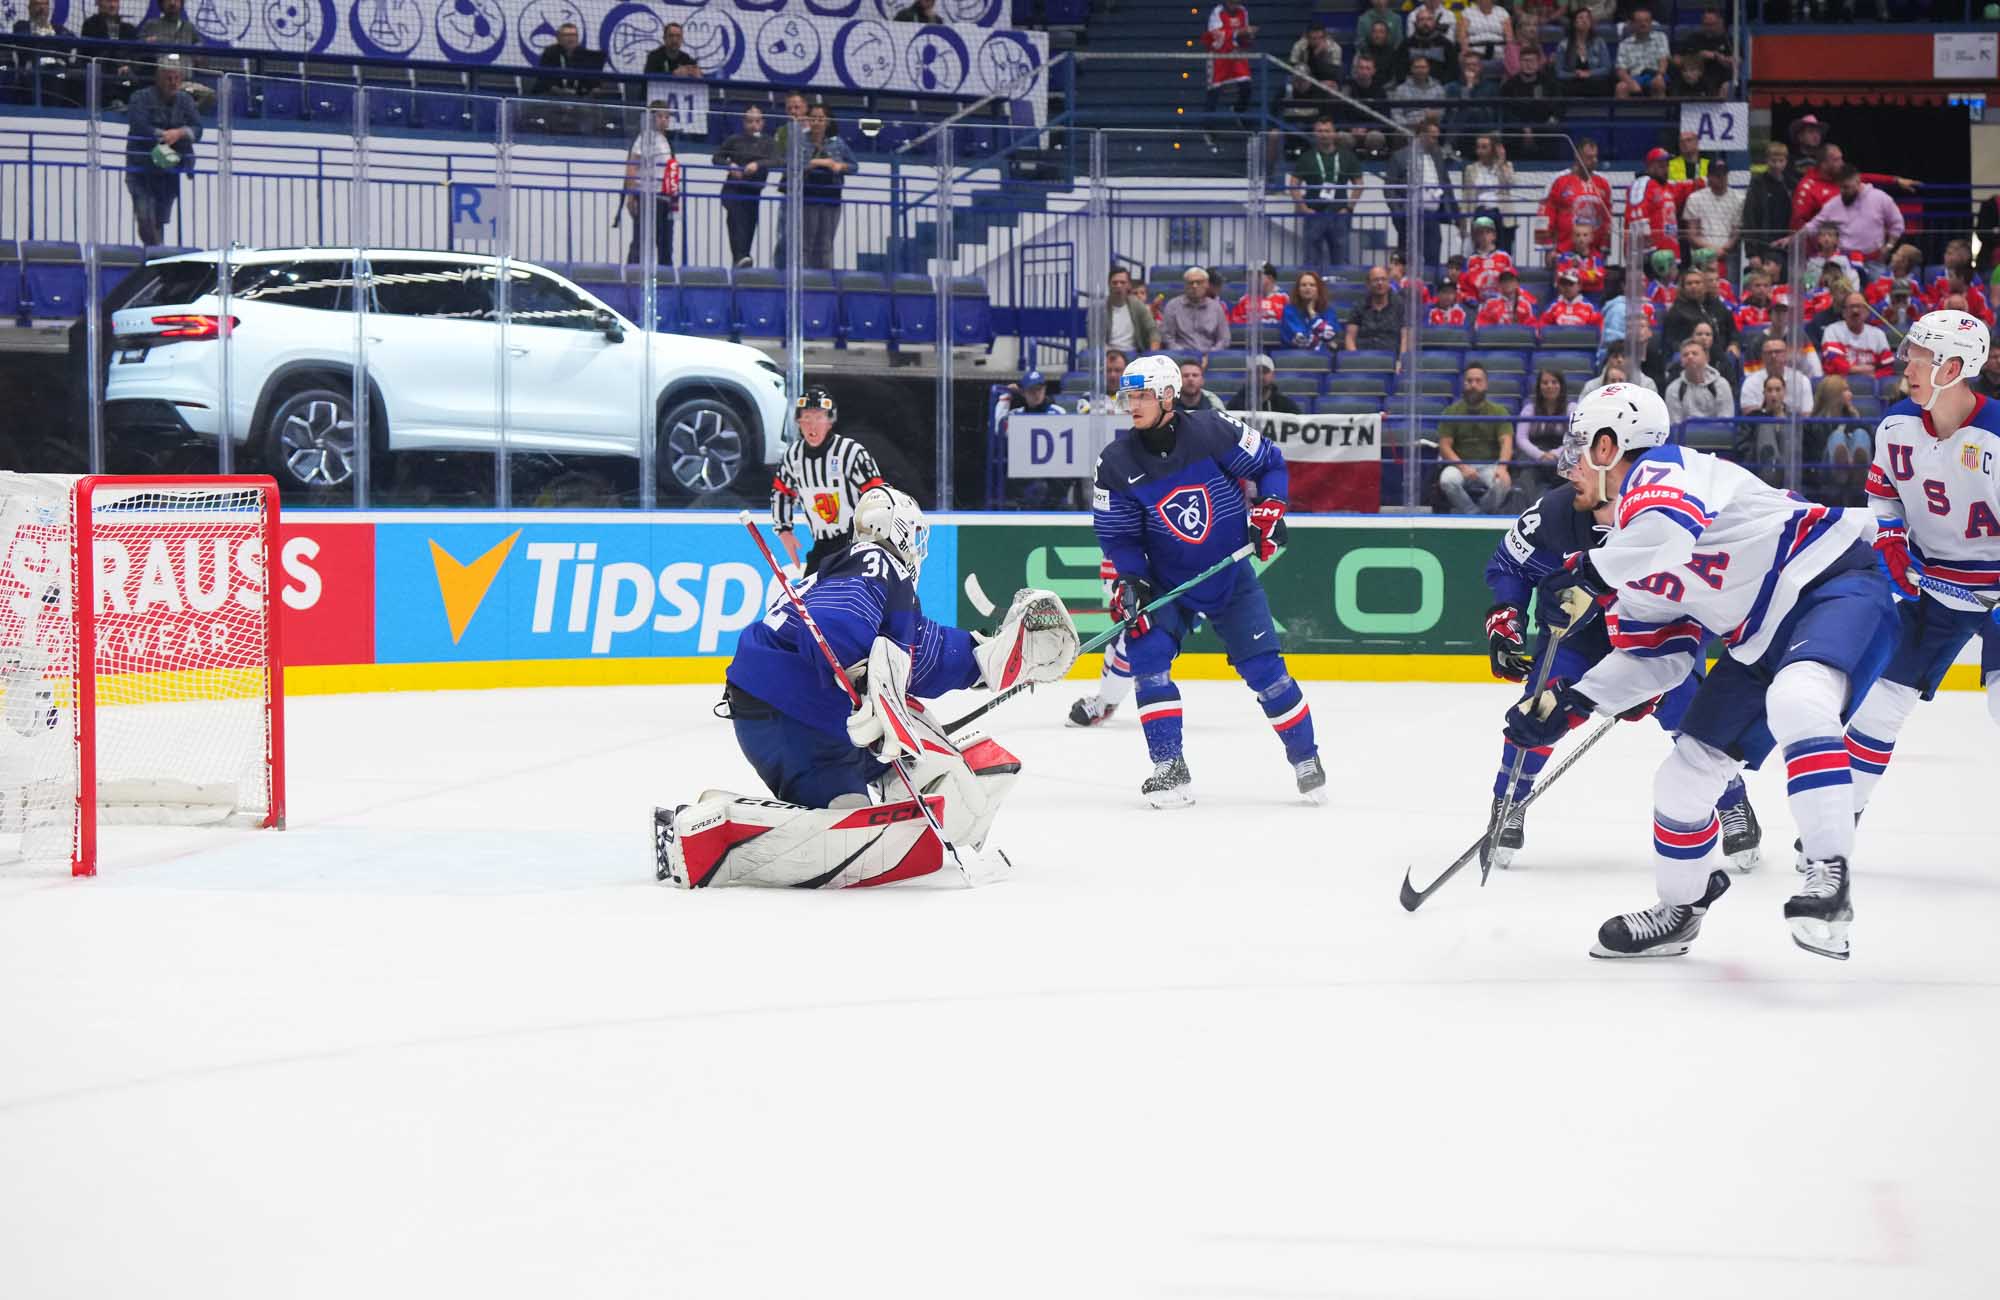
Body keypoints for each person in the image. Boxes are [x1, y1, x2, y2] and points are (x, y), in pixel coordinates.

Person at [1504, 382, 1897, 959]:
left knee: (1799, 697)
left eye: (1579, 446)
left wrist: (1590, 572)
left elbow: (1667, 531)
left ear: (1610, 447)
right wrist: (1573, 703)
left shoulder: (1668, 471)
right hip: (1755, 643)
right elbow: (1656, 656)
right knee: (1683, 781)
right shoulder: (1625, 551)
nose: (1570, 467)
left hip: (1832, 585)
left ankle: (1828, 876)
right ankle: (1679, 911)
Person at [658, 490, 1079, 888]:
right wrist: (854, 665)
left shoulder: (850, 578)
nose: (917, 547)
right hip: (799, 711)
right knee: (925, 762)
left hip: (783, 720)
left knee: (849, 818)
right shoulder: (877, 563)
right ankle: (721, 832)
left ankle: (724, 821)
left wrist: (986, 657)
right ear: (898, 532)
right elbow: (837, 620)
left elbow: (923, 652)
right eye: (914, 535)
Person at [1480, 423, 1760, 870]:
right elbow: (1510, 565)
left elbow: (1702, 599)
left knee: (1695, 718)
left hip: (1659, 634)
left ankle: (1730, 800)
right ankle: (1509, 799)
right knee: (1539, 708)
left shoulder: (1678, 517)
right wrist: (1504, 616)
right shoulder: (1556, 512)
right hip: (1581, 636)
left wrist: (1648, 678)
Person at [1091, 354, 1325, 805]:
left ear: (1167, 396)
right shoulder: (1116, 463)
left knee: (1267, 674)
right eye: (1129, 396)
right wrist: (1133, 581)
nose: (1132, 405)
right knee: (1150, 660)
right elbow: (1119, 537)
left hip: (1228, 577)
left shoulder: (1213, 429)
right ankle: (1169, 767)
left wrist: (1271, 506)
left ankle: (1306, 759)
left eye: (1142, 396)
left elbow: (1270, 464)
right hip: (1165, 585)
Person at [1833, 311, 2000, 871]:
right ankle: (1836, 826)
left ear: (1954, 368)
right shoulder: (1895, 426)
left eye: (1921, 356)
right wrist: (1890, 535)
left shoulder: (1996, 436)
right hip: (1940, 592)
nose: (1907, 364)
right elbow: (1884, 498)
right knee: (1879, 707)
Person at [770, 387, 886, 575]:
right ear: (798, 421)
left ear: (830, 422)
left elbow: (878, 494)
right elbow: (781, 492)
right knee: (810, 599)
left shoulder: (850, 452)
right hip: (822, 545)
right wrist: (784, 530)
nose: (812, 425)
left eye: (819, 418)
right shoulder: (793, 456)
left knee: (851, 599)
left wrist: (880, 538)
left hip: (855, 542)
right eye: (806, 418)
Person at [123, 56, 197, 248]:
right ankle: (158, 254)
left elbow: (198, 128)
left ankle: (156, 255)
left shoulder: (186, 100)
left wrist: (179, 133)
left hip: (168, 171)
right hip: (141, 168)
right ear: (158, 78)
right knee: (145, 217)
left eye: (176, 78)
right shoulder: (139, 97)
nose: (173, 83)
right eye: (168, 78)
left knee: (159, 219)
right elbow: (139, 126)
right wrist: (165, 135)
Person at [1786, 167, 1905, 283]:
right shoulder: (1834, 204)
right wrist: (1793, 238)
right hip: (1843, 263)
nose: (1843, 191)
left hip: (1873, 261)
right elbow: (1814, 224)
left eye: (1846, 187)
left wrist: (1889, 246)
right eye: (1840, 187)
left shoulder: (1880, 198)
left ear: (1858, 182)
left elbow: (1897, 223)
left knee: (1880, 295)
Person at [1436, 364, 1514, 512]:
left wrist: (1502, 468)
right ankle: (1473, 513)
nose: (1473, 385)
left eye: (1478, 381)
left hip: (1490, 465)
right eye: (1469, 381)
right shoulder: (1451, 412)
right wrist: (1463, 467)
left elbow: (1506, 442)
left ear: (1486, 384)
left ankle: (1480, 513)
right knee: (1447, 480)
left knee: (1503, 482)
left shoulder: (1499, 411)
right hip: (1459, 465)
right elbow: (1445, 446)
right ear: (1463, 384)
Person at [1384, 117, 1458, 269]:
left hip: (1432, 215)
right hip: (1409, 215)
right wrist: (1398, 213)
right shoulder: (1399, 156)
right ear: (1421, 135)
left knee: (1433, 254)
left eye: (1437, 137)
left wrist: (1455, 213)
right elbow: (1389, 187)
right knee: (1408, 257)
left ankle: (1431, 288)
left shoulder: (1437, 156)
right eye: (1432, 137)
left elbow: (1446, 183)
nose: (1435, 140)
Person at [1289, 118, 1360, 269]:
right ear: (1315, 133)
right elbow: (1293, 185)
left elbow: (1359, 184)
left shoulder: (1347, 156)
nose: (1323, 135)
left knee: (1341, 259)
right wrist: (1303, 209)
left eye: (1327, 131)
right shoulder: (1307, 157)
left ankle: (1343, 291)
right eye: (1320, 131)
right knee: (1311, 260)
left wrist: (1349, 208)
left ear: (1334, 133)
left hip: (1339, 214)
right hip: (1314, 214)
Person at [715, 107, 778, 268]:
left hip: (753, 190)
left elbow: (777, 160)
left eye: (757, 121)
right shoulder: (735, 139)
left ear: (762, 123)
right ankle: (740, 256)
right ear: (744, 122)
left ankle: (743, 258)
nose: (753, 125)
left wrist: (758, 164)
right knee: (736, 222)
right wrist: (731, 165)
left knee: (749, 225)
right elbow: (717, 157)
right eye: (750, 121)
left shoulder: (768, 142)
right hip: (734, 188)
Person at [621, 102, 680, 267]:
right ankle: (632, 274)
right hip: (647, 195)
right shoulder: (645, 138)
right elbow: (632, 166)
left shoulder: (666, 141)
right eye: (660, 116)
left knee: (665, 241)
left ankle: (665, 275)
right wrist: (631, 195)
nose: (663, 120)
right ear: (651, 118)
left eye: (667, 117)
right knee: (641, 239)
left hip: (665, 196)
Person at [797, 105, 855, 270]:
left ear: (828, 121)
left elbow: (854, 166)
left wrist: (840, 166)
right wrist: (819, 162)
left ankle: (825, 280)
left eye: (820, 118)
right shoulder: (802, 140)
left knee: (826, 242)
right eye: (813, 118)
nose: (816, 122)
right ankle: (806, 277)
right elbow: (796, 164)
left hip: (832, 196)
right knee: (808, 242)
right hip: (809, 196)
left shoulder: (838, 143)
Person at [1540, 138, 1613, 262]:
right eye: (1589, 157)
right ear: (1577, 156)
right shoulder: (1559, 180)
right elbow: (1544, 217)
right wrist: (1547, 249)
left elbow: (1607, 221)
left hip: (1594, 254)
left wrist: (1605, 250)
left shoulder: (1603, 183)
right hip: (1563, 253)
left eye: (1595, 157)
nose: (1594, 161)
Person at [1202, 0, 1256, 138]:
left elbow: (1243, 37)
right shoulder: (1217, 13)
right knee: (1214, 92)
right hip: (1219, 57)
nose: (1235, 4)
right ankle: (1208, 127)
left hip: (1236, 55)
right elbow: (1215, 36)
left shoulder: (1243, 11)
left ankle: (1239, 111)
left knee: (1246, 86)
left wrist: (1248, 36)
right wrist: (1239, 32)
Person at [1498, 46, 1560, 161]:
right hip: (1517, 126)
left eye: (1532, 61)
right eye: (1525, 61)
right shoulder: (1509, 85)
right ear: (1520, 62)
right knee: (1510, 132)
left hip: (1542, 125)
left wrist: (1553, 117)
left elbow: (1557, 105)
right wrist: (1524, 128)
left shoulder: (1548, 82)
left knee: (1552, 129)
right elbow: (1506, 111)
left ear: (1538, 63)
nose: (1528, 64)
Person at [1820, 292, 1894, 378]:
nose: (1855, 310)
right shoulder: (1832, 330)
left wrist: (1873, 377)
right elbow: (1832, 364)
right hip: (1840, 383)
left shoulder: (1878, 334)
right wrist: (1858, 370)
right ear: (1844, 312)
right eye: (1851, 307)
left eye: (1859, 306)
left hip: (1869, 385)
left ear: (1867, 311)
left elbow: (1888, 367)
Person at [1742, 141, 1792, 267]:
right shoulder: (1757, 184)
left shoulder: (1791, 184)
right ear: (1766, 160)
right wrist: (1752, 253)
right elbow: (1749, 218)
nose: (1777, 165)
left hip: (1787, 246)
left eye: (1781, 161)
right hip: (1764, 246)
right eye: (1773, 161)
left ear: (1786, 161)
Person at [1160, 267, 1231, 355]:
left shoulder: (1216, 308)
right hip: (1181, 356)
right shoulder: (1172, 306)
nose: (1194, 286)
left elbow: (1224, 339)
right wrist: (1184, 355)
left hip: (1210, 356)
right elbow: (1167, 337)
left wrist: (1211, 354)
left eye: (1199, 282)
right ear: (1185, 286)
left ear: (1207, 284)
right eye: (1190, 283)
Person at [1682, 160, 1742, 264]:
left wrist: (1724, 248)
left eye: (1724, 174)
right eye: (1717, 175)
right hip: (1702, 254)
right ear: (1709, 176)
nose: (1721, 178)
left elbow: (1736, 232)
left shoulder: (1739, 198)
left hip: (1728, 254)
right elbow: (1692, 234)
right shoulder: (1695, 198)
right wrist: (1712, 250)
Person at [1345, 264, 1409, 357]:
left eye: (1383, 279)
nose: (1380, 283)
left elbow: (1405, 338)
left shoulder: (1400, 305)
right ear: (1368, 284)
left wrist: (1401, 361)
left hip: (1392, 362)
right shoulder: (1359, 306)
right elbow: (1350, 338)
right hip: (1364, 359)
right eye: (1375, 280)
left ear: (1389, 282)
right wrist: (1356, 360)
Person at [1665, 340, 1735, 424]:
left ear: (1706, 358)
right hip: (1686, 436)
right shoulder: (1673, 389)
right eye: (1685, 355)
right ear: (1681, 362)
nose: (1690, 357)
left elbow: (1726, 423)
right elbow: (1675, 426)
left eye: (1694, 353)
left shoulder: (1722, 385)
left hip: (1717, 435)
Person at [1740, 335, 1814, 414]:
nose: (1773, 356)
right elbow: (1750, 416)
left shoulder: (1802, 380)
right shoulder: (1751, 382)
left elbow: (1807, 415)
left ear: (1786, 354)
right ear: (1762, 356)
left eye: (1778, 352)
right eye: (1769, 353)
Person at [1515, 367, 1573, 465]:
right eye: (1545, 383)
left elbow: (1576, 438)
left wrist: (1556, 454)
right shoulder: (1529, 409)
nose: (1549, 386)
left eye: (1554, 382)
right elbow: (1521, 438)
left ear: (1561, 386)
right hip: (1534, 455)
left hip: (1563, 454)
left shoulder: (1572, 408)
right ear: (1539, 387)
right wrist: (1540, 455)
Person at [1613, 6, 1670, 99]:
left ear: (1651, 23)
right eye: (1639, 21)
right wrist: (1630, 82)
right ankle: (1625, 113)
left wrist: (1659, 75)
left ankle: (1659, 113)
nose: (1643, 24)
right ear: (1632, 24)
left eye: (1647, 21)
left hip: (1654, 74)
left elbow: (1663, 61)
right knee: (1621, 87)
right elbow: (1620, 70)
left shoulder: (1660, 37)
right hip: (1635, 77)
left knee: (1659, 83)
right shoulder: (1624, 44)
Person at [534, 23, 605, 97]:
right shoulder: (550, 53)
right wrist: (561, 92)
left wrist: (595, 89)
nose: (571, 38)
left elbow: (591, 81)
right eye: (567, 35)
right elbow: (545, 80)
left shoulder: (585, 54)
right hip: (553, 97)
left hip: (579, 99)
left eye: (574, 35)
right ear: (559, 38)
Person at [1556, 7, 1614, 97]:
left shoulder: (1599, 42)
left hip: (1595, 83)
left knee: (1605, 84)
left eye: (1587, 18)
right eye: (1581, 17)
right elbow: (1559, 73)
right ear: (1574, 23)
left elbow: (1606, 68)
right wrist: (1575, 75)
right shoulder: (1563, 44)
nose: (1584, 20)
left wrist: (1589, 73)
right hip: (1572, 83)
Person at [1459, 215, 1514, 301]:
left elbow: (1512, 283)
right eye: (1480, 233)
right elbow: (1465, 286)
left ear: (1494, 235)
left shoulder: (1504, 257)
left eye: (1488, 232)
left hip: (1500, 304)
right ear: (1476, 237)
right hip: (1478, 305)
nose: (1484, 236)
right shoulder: (1471, 260)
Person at [1105, 267, 1158, 355]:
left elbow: (1153, 330)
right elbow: (1093, 338)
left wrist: (1152, 355)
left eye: (1122, 282)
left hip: (1133, 353)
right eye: (1114, 283)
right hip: (1107, 353)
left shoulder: (1137, 305)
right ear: (1109, 284)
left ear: (1129, 285)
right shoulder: (1099, 308)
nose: (1118, 286)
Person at [1227, 355, 1301, 414]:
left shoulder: (1284, 404)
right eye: (1256, 372)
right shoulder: (1236, 403)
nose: (1260, 376)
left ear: (1273, 375)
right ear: (1249, 376)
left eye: (1265, 372)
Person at [1387, 54, 1445, 130]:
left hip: (1430, 127)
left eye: (1423, 67)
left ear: (1428, 69)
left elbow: (1441, 113)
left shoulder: (1438, 88)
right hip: (1407, 128)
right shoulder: (1401, 89)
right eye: (1417, 67)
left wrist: (1426, 122)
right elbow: (1396, 114)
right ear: (1411, 69)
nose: (1420, 70)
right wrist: (1408, 126)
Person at [1288, 23, 1343, 102]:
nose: (1317, 41)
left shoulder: (1335, 48)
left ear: (1325, 38)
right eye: (1313, 38)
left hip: (1326, 80)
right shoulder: (1299, 46)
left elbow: (1334, 72)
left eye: (1320, 38)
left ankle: (1327, 114)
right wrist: (1315, 55)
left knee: (1332, 87)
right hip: (1304, 80)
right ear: (1307, 37)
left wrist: (1317, 57)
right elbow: (1292, 67)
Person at [1456, 0, 1512, 70]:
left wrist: (1509, 53)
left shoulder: (1502, 12)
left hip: (1499, 51)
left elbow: (1509, 36)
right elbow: (1461, 35)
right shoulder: (1468, 12)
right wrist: (1466, 50)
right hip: (1473, 50)